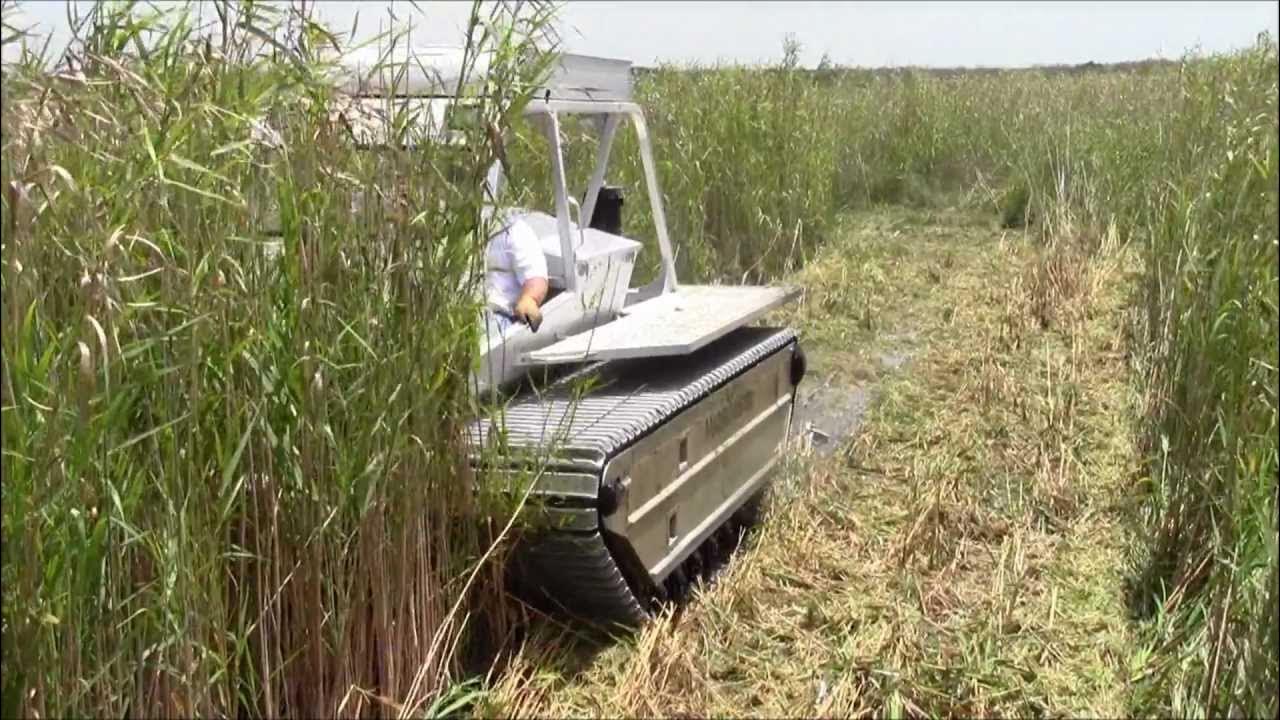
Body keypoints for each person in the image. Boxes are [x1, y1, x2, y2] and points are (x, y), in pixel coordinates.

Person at [480, 209, 548, 347]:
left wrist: (529, 298)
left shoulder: (514, 230)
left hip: (497, 315)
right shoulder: (454, 226)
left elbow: (535, 274)